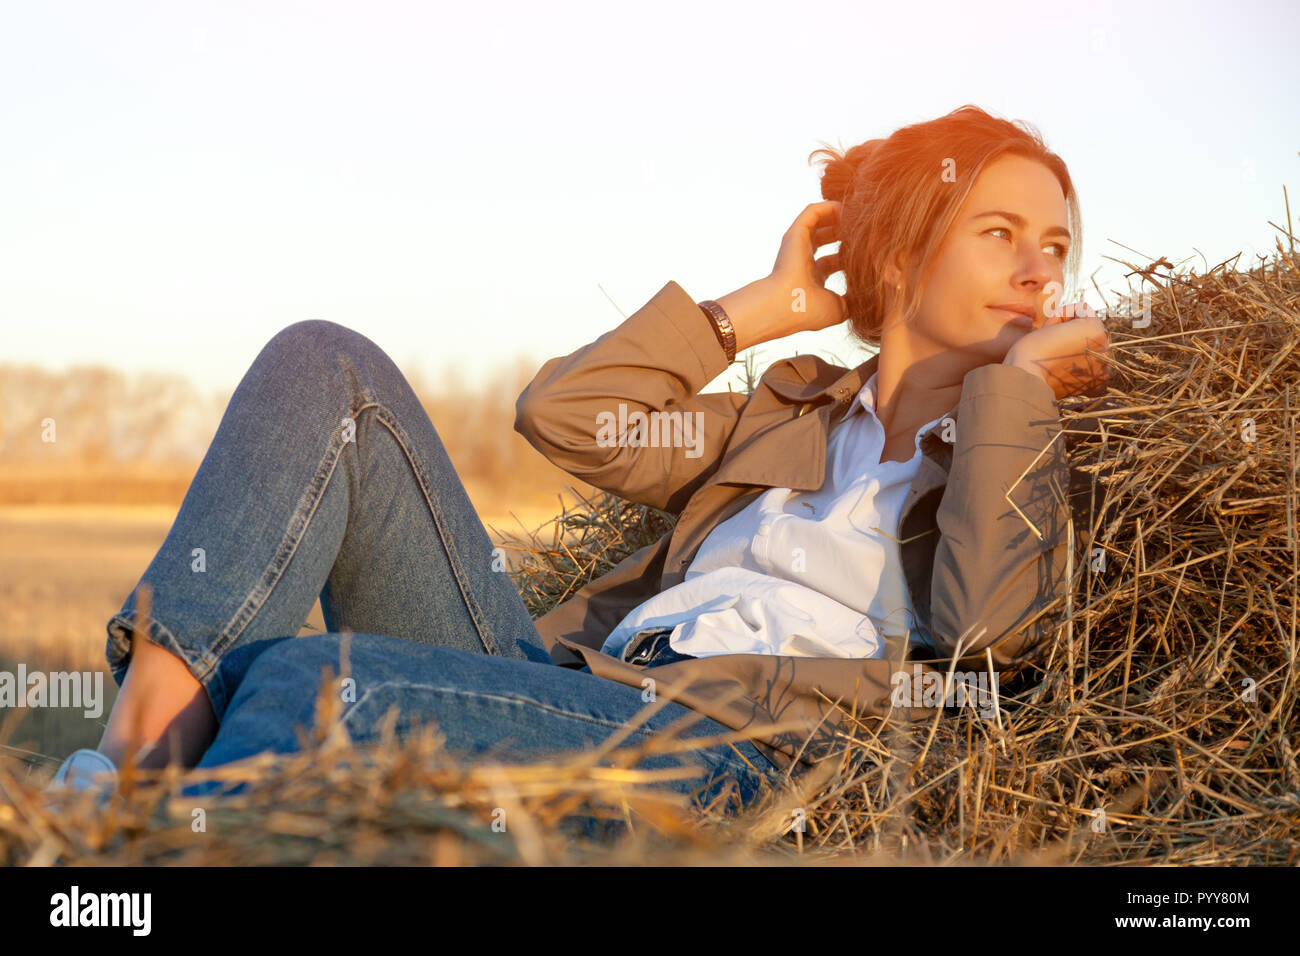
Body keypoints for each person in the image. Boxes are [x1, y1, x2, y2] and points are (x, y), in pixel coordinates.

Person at [52, 105, 1110, 832]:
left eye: (1055, 246)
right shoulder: (784, 416)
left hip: (738, 757)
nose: (1037, 268)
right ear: (899, 256)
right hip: (575, 688)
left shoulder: (1010, 449)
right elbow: (563, 417)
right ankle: (125, 777)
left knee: (312, 680)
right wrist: (754, 310)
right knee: (326, 367)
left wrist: (1013, 390)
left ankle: (173, 842)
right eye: (1002, 232)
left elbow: (990, 646)